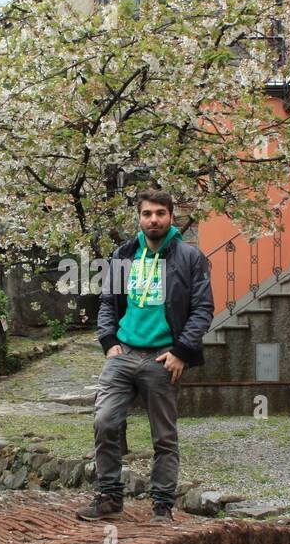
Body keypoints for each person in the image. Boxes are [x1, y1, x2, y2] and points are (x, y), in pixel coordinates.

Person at [76, 190, 214, 523]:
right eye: (147, 213)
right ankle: (109, 497)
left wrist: (181, 351)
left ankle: (162, 506)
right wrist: (109, 342)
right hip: (123, 354)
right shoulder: (124, 255)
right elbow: (109, 302)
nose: (154, 219)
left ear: (171, 217)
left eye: (161, 213)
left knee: (163, 437)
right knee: (104, 421)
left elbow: (203, 308)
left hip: (162, 359)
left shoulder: (189, 258)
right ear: (139, 217)